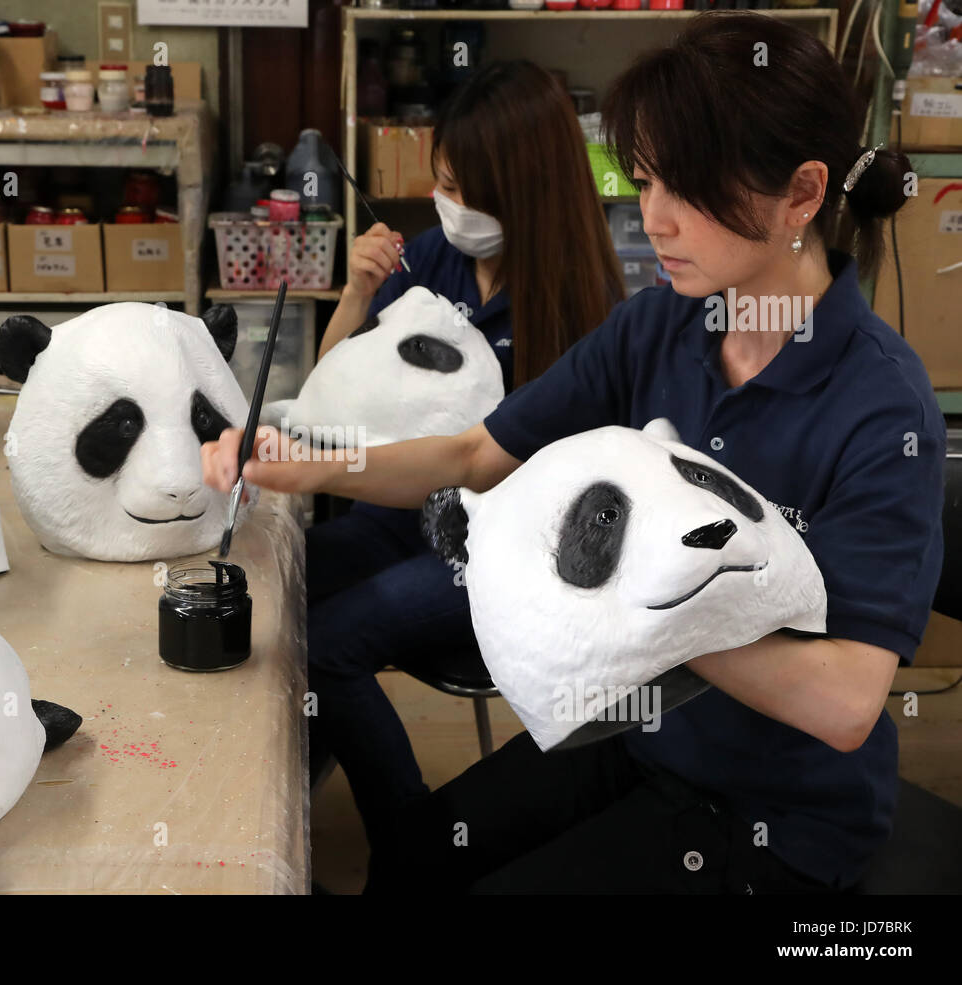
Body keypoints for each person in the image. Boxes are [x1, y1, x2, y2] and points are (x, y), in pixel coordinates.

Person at [204, 12, 945, 892]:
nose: (654, 219)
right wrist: (316, 461)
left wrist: (620, 608)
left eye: (689, 188)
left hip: (777, 816)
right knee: (413, 857)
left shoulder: (878, 405)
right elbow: (480, 453)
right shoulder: (663, 324)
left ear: (803, 193)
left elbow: (847, 703)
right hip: (640, 737)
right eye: (646, 180)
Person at [304, 59, 623, 849]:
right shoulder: (429, 260)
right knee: (280, 584)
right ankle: (289, 792)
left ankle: (410, 846)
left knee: (329, 645)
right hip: (404, 507)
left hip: (507, 549)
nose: (449, 203)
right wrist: (354, 295)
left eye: (468, 187)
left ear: (527, 188)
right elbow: (331, 399)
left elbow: (543, 487)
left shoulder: (587, 309)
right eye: (442, 178)